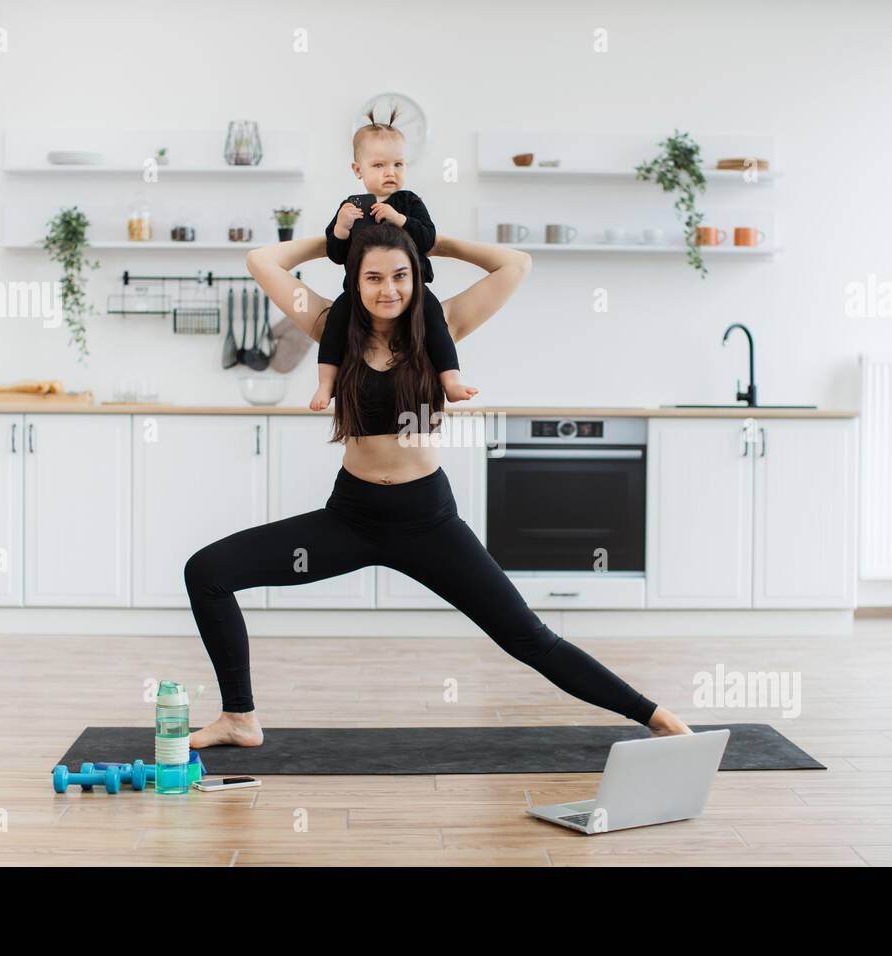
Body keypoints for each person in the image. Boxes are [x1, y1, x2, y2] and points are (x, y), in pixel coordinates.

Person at [184, 223, 693, 748]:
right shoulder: (331, 326)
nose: (389, 290)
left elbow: (515, 264)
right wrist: (334, 241)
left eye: (401, 276)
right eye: (373, 277)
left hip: (426, 521)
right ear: (354, 281)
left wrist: (434, 242)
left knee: (528, 637)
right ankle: (239, 717)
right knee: (207, 572)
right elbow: (261, 261)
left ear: (416, 277)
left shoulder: (440, 325)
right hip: (351, 518)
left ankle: (653, 716)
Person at [311, 107, 475, 412]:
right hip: (360, 295)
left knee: (434, 320)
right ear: (358, 170)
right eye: (379, 165)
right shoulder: (352, 207)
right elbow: (336, 255)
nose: (391, 172)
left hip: (412, 292)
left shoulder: (409, 202)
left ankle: (451, 381)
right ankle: (325, 383)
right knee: (335, 319)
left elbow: (427, 238)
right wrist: (340, 228)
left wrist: (400, 219)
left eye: (398, 164)